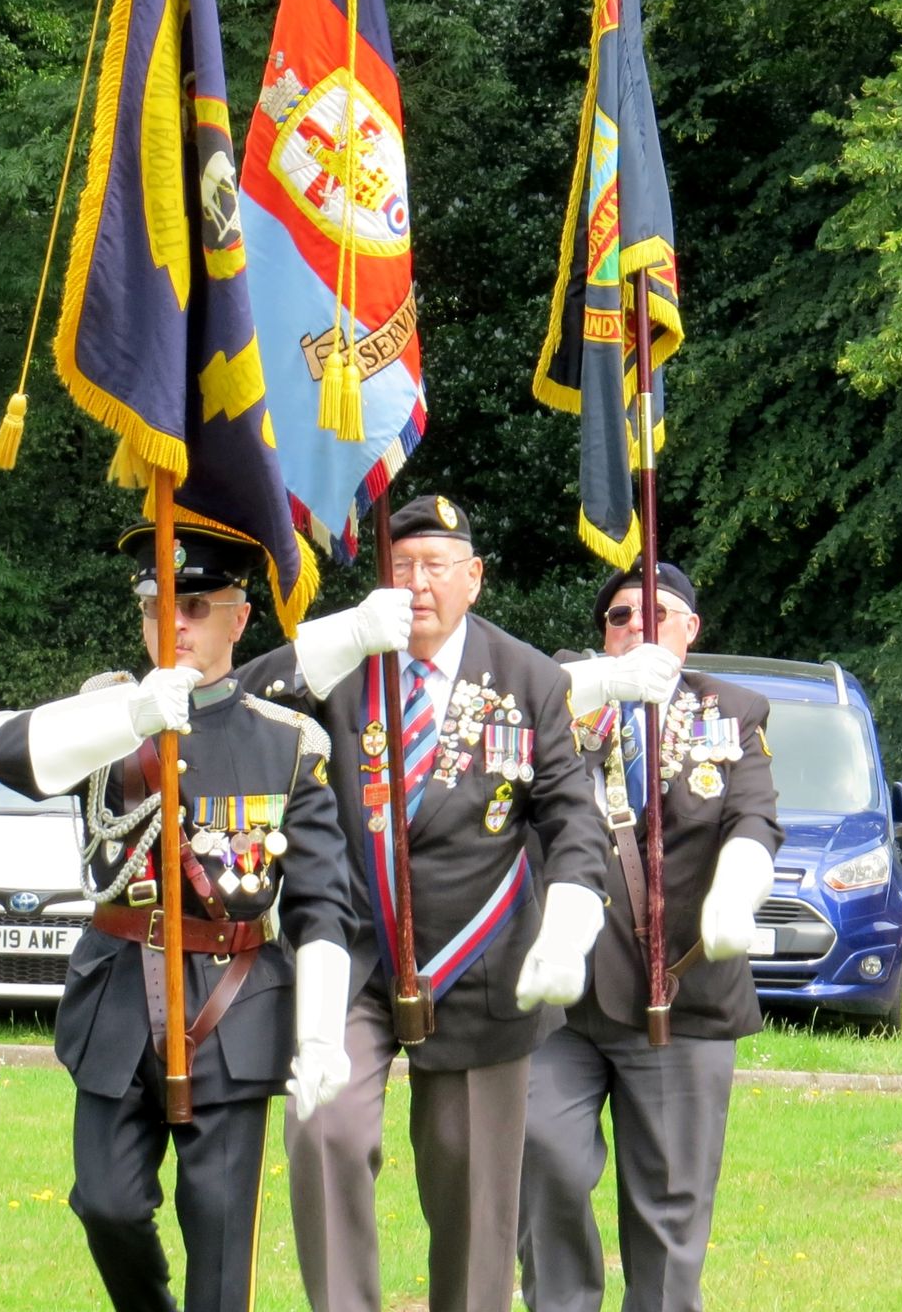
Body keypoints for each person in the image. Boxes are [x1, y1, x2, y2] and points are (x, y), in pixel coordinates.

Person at [237, 493, 674, 1312]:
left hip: (481, 969)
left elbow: (570, 814)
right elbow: (240, 706)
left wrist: (570, 919)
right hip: (354, 953)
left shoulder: (527, 677)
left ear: (473, 578)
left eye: (436, 565)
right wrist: (339, 638)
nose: (417, 583)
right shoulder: (347, 663)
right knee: (323, 1132)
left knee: (472, 1195)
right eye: (400, 566)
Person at [0, 524, 406, 1312]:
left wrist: (318, 1033)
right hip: (116, 992)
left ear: (237, 619)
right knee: (106, 1204)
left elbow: (321, 904)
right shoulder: (106, 716)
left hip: (231, 998)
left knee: (219, 1236)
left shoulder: (284, 740)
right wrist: (132, 716)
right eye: (156, 603)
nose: (171, 622)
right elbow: (9, 758)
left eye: (196, 604)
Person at [517, 558, 784, 1312]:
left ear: (691, 630)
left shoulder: (732, 710)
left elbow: (753, 820)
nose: (639, 627)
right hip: (560, 1002)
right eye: (620, 616)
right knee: (544, 1158)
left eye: (659, 613)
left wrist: (737, 891)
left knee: (670, 1203)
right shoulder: (561, 696)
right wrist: (606, 684)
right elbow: (527, 703)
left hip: (681, 990)